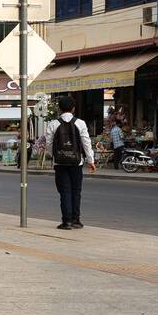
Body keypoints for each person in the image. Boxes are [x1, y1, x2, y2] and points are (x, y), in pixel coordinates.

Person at [44, 95, 96, 230]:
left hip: (60, 163)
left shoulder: (53, 124)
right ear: (73, 108)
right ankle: (76, 220)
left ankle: (66, 221)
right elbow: (86, 143)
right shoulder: (80, 123)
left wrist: (53, 156)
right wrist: (91, 160)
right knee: (76, 191)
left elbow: (49, 145)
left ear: (59, 108)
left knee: (64, 191)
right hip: (76, 162)